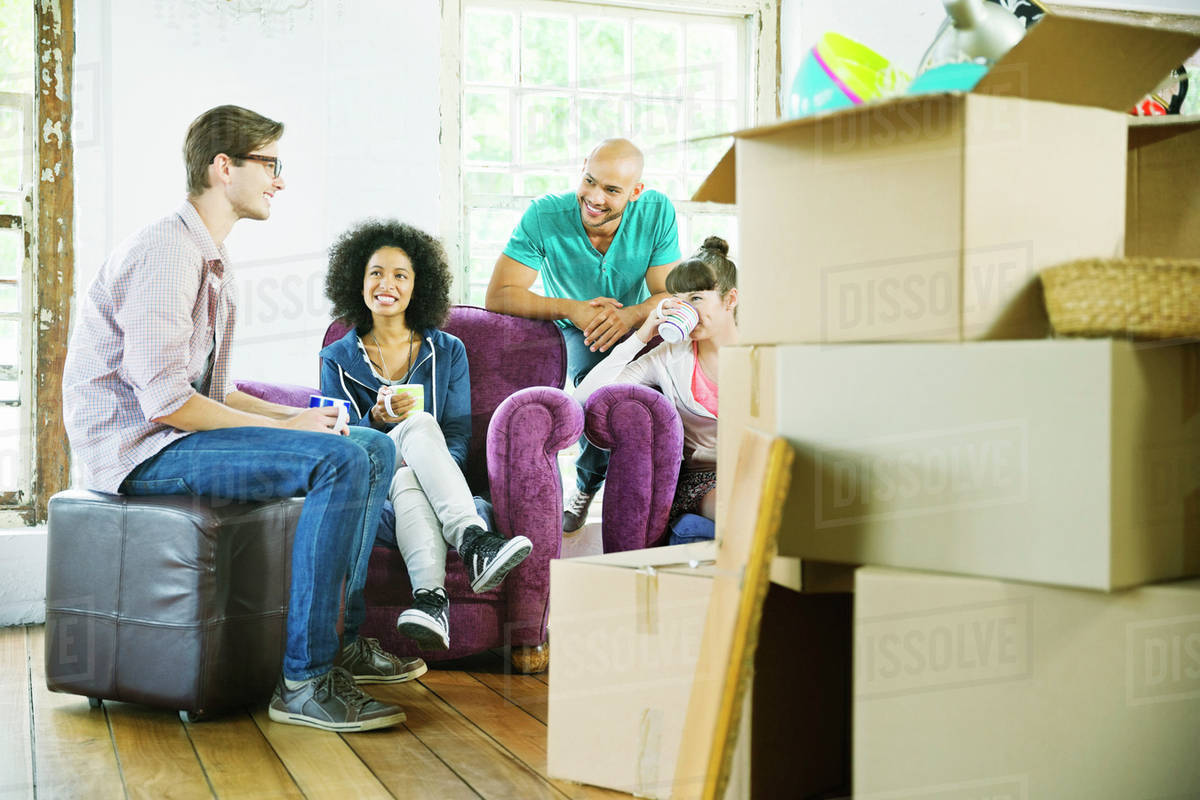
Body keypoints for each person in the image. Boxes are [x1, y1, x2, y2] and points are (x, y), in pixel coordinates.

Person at [62, 105, 419, 734]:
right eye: (270, 164)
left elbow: (216, 390)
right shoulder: (168, 253)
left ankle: (343, 642)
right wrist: (292, 434)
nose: (279, 180)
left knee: (370, 446)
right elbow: (166, 402)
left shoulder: (211, 261)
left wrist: (304, 411)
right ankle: (305, 681)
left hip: (171, 436)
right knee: (337, 459)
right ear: (224, 167)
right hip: (137, 449)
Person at [320, 218, 533, 652]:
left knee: (410, 470)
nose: (387, 284)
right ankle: (473, 538)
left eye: (401, 275)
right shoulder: (336, 357)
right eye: (376, 273)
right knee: (416, 426)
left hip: (428, 481)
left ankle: (430, 601)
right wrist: (377, 421)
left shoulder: (448, 350)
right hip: (368, 483)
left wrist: (426, 462)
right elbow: (339, 438)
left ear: (419, 286)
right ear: (357, 282)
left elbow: (456, 432)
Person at [485, 138, 681, 533]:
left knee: (665, 388)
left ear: (635, 192)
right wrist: (572, 309)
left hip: (640, 322)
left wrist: (629, 317)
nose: (593, 198)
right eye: (589, 181)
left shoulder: (657, 211)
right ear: (582, 170)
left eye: (611, 190)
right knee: (598, 385)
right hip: (578, 329)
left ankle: (664, 499)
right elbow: (499, 296)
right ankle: (588, 483)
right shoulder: (544, 214)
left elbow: (666, 291)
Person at [573, 237, 738, 524]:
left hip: (757, 469)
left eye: (696, 298)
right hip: (703, 480)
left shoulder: (763, 351)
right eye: (679, 301)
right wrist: (642, 335)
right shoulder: (668, 356)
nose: (686, 310)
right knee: (737, 510)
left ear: (730, 300)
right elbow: (587, 398)